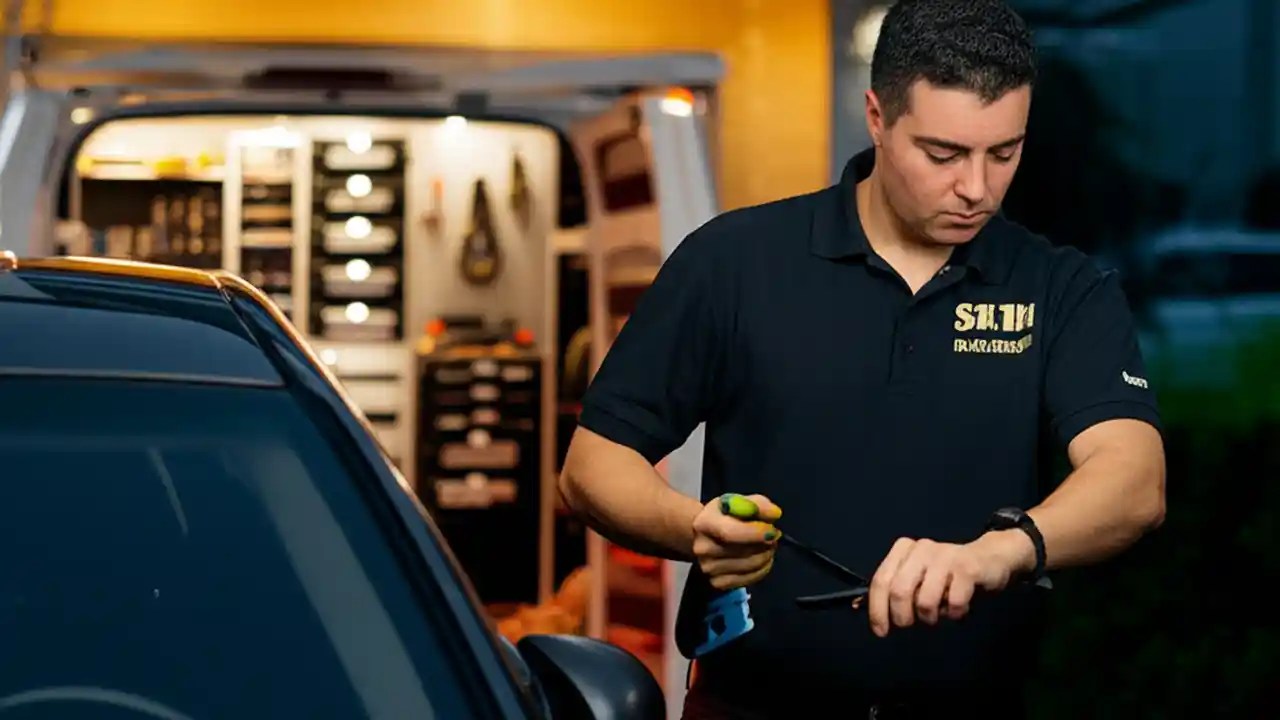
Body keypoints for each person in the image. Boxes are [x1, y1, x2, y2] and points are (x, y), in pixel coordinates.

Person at [558, 0, 1167, 716]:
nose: (977, 188)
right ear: (877, 117)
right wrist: (693, 529)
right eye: (943, 154)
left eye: (1004, 153)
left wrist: (995, 553)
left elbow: (1133, 481)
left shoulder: (1063, 288)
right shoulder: (735, 264)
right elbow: (591, 468)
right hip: (752, 703)